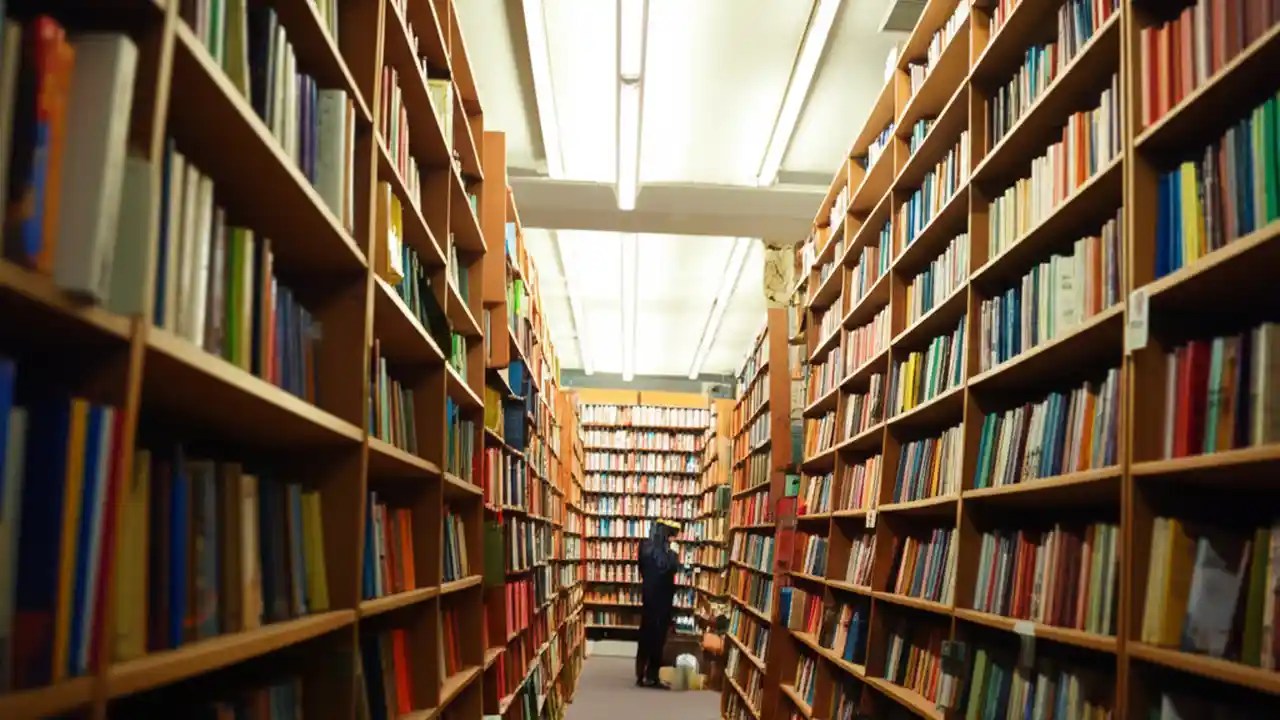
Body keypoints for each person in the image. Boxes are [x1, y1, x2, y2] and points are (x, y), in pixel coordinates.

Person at [636, 518, 681, 688]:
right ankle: (652, 675)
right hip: (662, 599)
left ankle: (641, 674)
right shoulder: (667, 553)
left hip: (648, 597)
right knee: (658, 637)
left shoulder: (644, 547)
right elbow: (672, 568)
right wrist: (674, 553)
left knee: (645, 635)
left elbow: (641, 568)